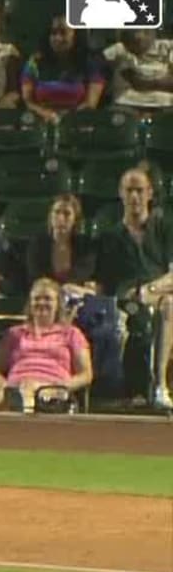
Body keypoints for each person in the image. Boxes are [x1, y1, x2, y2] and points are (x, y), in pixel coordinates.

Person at [96, 166, 172, 409]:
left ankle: (160, 385)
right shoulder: (109, 237)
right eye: (129, 190)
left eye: (139, 190)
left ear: (150, 193)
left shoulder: (165, 229)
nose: (134, 196)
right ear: (121, 193)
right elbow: (104, 284)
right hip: (125, 301)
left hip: (159, 295)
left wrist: (148, 291)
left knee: (169, 304)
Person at [0, 277, 93, 411]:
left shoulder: (71, 333)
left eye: (47, 299)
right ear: (30, 303)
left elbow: (86, 375)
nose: (42, 302)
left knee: (30, 395)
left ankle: (27, 410)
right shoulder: (14, 334)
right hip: (15, 386)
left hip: (51, 390)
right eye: (37, 299)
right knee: (0, 398)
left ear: (57, 304)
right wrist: (0, 384)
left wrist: (59, 387)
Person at [20, 15, 105, 123]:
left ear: (75, 35)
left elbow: (90, 104)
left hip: (77, 123)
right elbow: (28, 101)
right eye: (53, 33)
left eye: (63, 33)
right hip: (42, 122)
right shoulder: (34, 63)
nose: (57, 38)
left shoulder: (90, 64)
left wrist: (66, 119)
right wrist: (46, 113)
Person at [101, 28, 173, 111]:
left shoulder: (167, 47)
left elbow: (139, 84)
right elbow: (136, 82)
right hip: (126, 103)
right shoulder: (119, 50)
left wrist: (149, 83)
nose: (137, 37)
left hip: (166, 104)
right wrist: (161, 82)